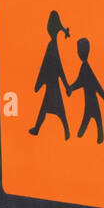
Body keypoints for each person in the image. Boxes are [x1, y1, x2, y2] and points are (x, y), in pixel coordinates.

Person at [29, 10, 71, 139]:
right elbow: (56, 68)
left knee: (54, 111)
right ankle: (39, 129)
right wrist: (66, 85)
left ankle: (65, 131)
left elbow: (52, 67)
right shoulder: (53, 45)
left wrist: (39, 83)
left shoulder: (52, 46)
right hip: (53, 85)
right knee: (50, 110)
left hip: (52, 85)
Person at [68, 37, 104, 143]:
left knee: (93, 118)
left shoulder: (85, 68)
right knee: (94, 118)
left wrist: (71, 88)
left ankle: (84, 135)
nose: (77, 52)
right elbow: (92, 83)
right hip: (92, 99)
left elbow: (81, 82)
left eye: (78, 50)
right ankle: (85, 135)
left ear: (81, 52)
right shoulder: (86, 67)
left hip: (91, 100)